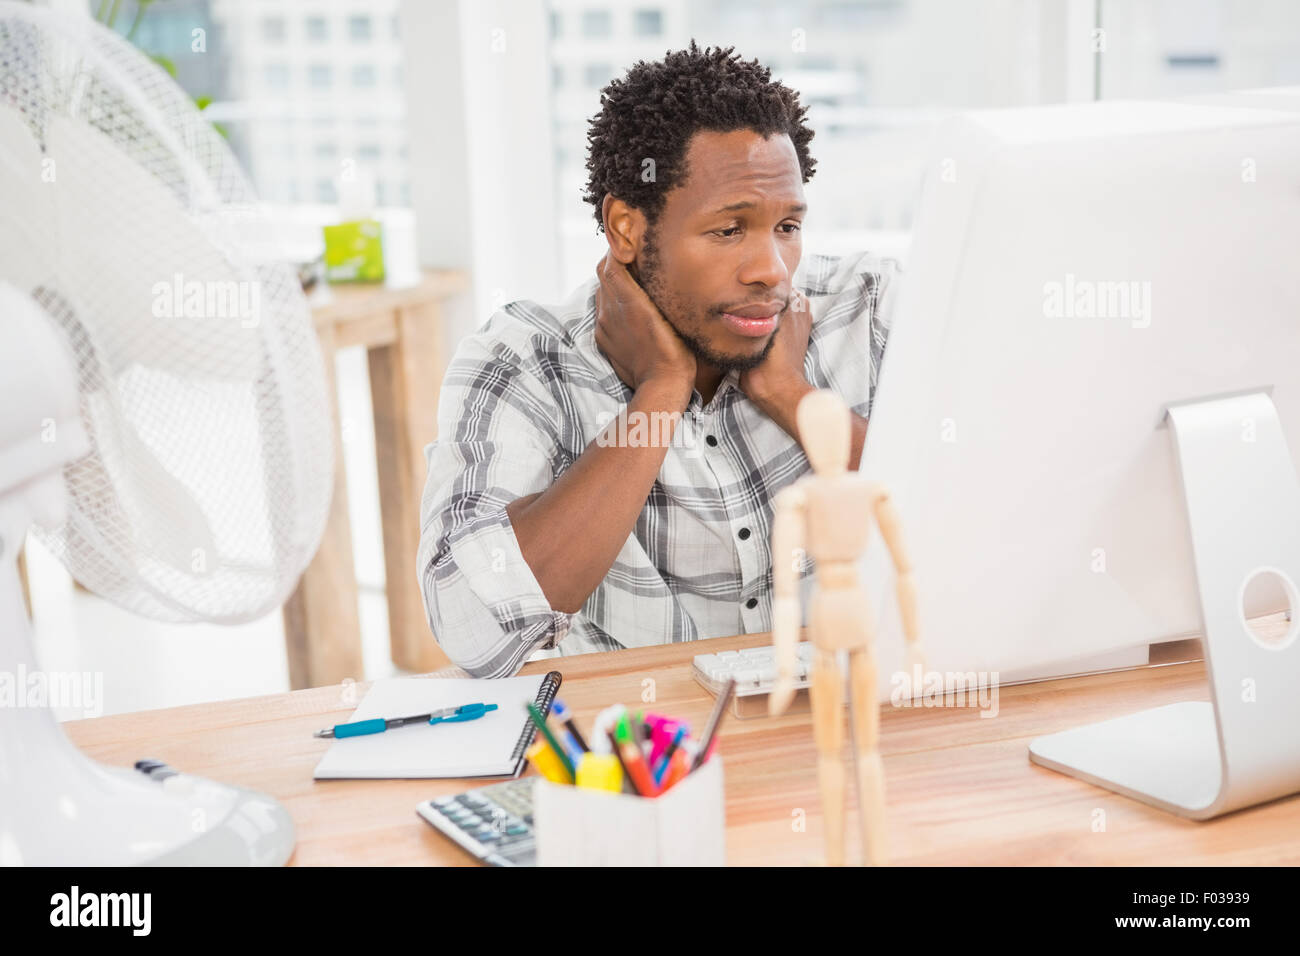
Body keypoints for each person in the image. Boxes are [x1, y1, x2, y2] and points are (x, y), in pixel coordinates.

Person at [418, 41, 898, 676]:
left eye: (787, 227)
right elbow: (473, 631)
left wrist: (790, 394)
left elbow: (981, 526)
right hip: (647, 759)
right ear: (626, 228)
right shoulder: (526, 362)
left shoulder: (863, 309)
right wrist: (661, 389)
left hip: (849, 735)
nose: (772, 271)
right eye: (729, 230)